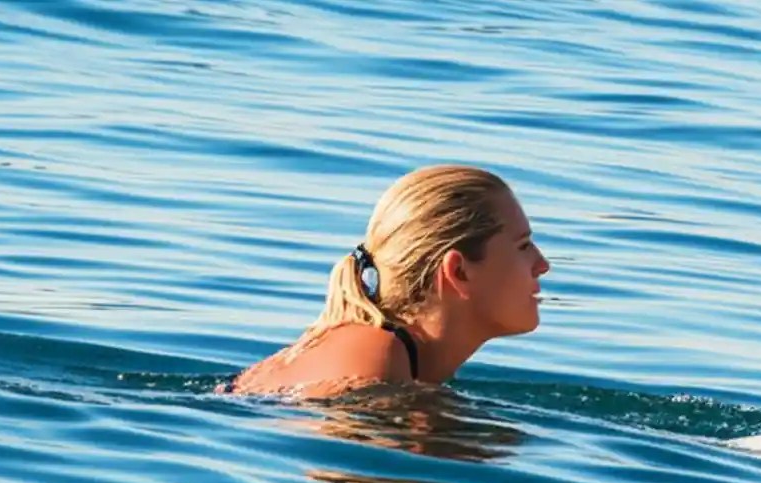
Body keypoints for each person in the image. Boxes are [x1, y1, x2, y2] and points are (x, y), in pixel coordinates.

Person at [229, 165, 550, 398]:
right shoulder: (376, 360)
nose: (542, 265)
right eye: (523, 246)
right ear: (459, 272)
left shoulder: (387, 353)